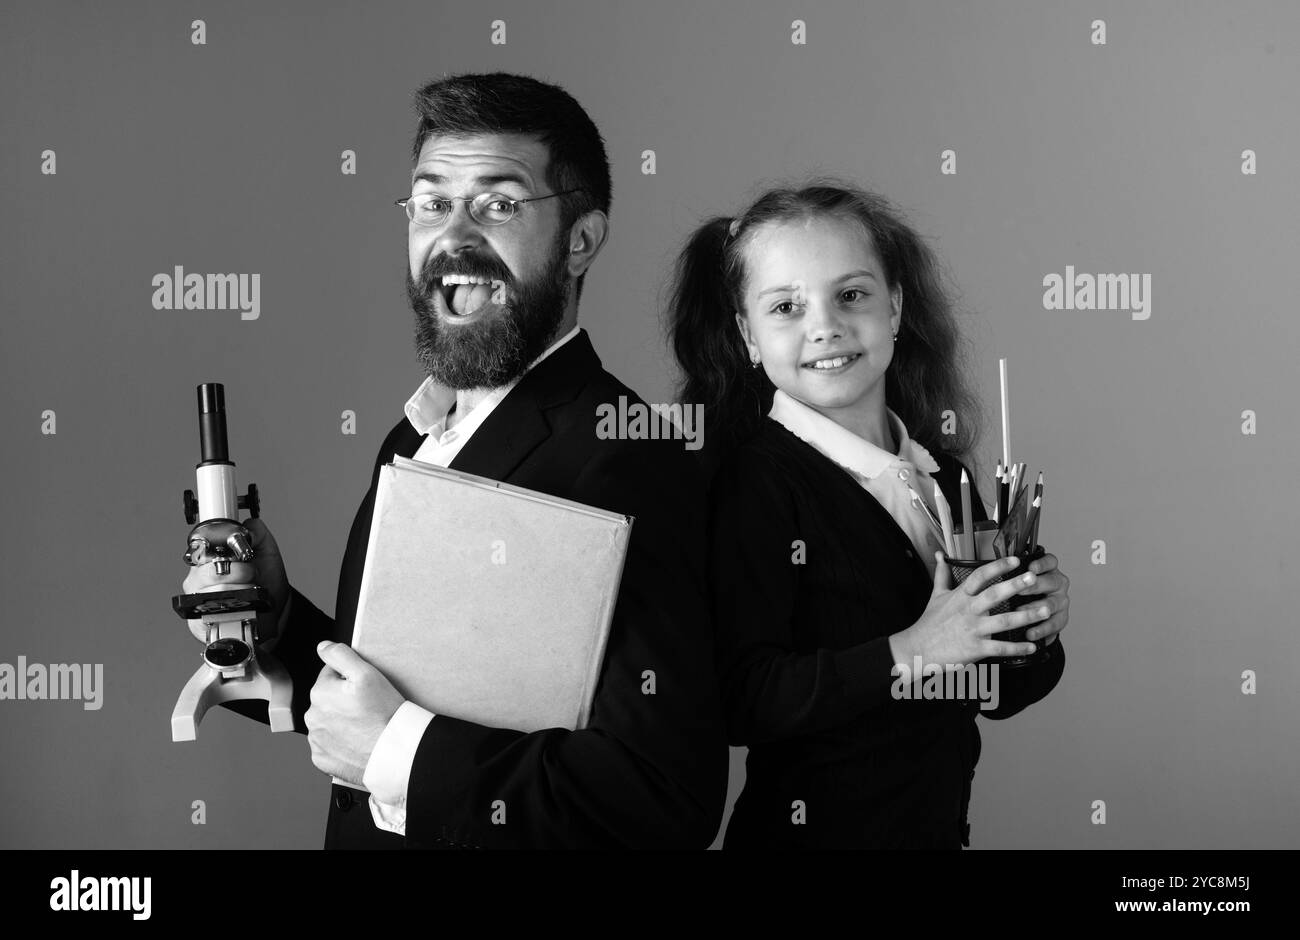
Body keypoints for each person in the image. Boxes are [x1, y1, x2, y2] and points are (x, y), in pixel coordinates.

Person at [180, 71, 728, 849]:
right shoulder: (415, 433)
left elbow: (662, 797)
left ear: (580, 241)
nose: (455, 237)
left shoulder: (628, 456)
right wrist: (270, 623)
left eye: (499, 204)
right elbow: (389, 696)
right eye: (432, 203)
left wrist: (397, 750)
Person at [667, 181, 1072, 848]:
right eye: (786, 307)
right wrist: (914, 651)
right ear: (747, 336)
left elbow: (992, 693)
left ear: (896, 307)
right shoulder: (754, 484)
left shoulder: (946, 475)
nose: (824, 325)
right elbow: (742, 698)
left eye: (851, 294)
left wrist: (1032, 629)